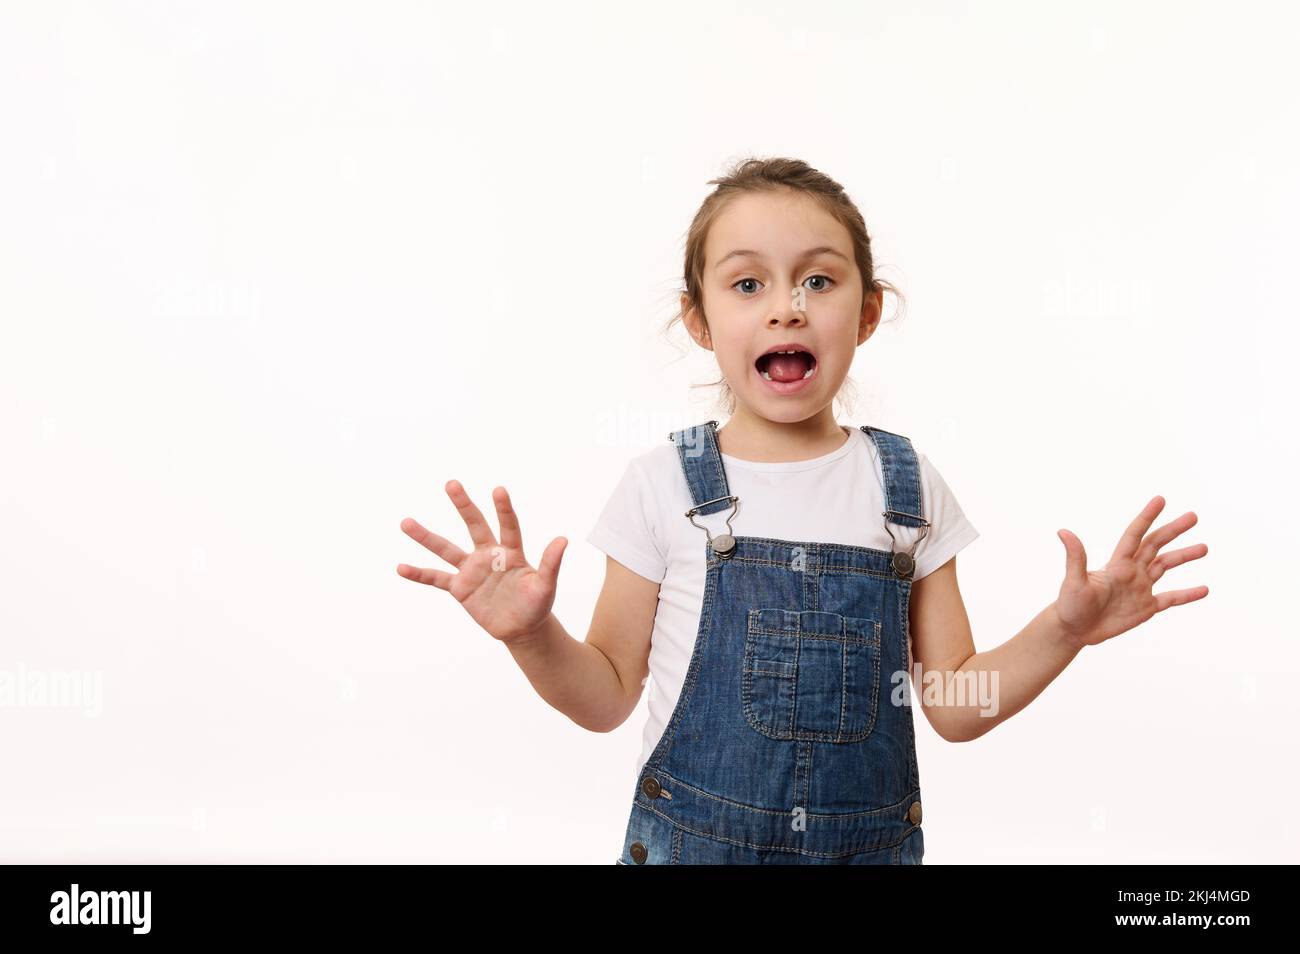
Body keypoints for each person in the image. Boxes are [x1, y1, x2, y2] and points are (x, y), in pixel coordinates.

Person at [395, 156, 1210, 864]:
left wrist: (1062, 631)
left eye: (818, 279)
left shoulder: (906, 487)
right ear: (700, 320)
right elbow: (606, 696)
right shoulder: (662, 485)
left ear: (866, 313)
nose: (786, 306)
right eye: (748, 283)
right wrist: (532, 636)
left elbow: (954, 706)